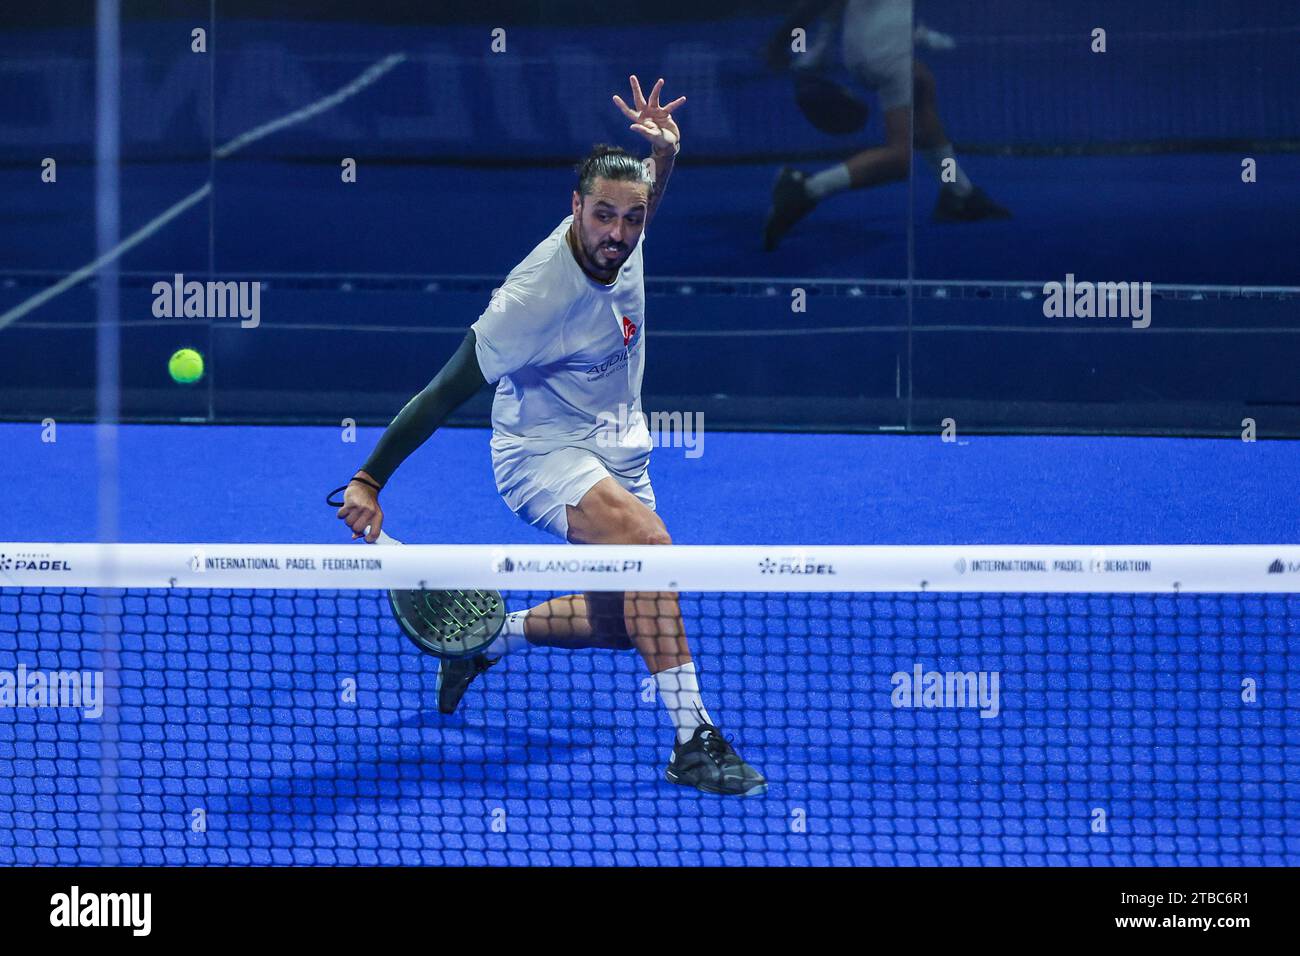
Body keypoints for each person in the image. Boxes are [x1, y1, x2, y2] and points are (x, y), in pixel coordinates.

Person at [337, 76, 766, 797]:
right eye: (604, 217)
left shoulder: (625, 232)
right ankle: (694, 741)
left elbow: (645, 193)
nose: (618, 235)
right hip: (539, 453)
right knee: (651, 550)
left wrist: (666, 155)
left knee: (624, 621)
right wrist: (369, 480)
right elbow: (444, 391)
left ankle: (482, 642)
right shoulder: (533, 298)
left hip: (618, 446)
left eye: (632, 219)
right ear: (576, 207)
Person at [764, 0, 1010, 251]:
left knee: (921, 83)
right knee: (900, 158)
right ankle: (805, 189)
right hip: (885, 51)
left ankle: (959, 193)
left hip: (871, 44)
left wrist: (783, 40)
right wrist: (781, 39)